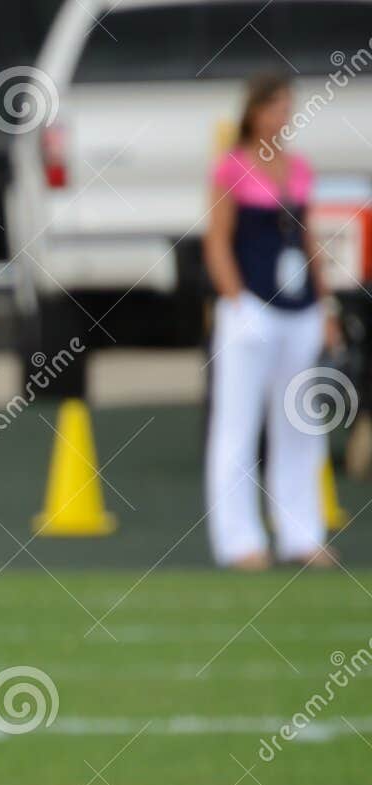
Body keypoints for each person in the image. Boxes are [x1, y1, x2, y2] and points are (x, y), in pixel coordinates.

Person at [203, 73, 343, 570]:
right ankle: (239, 540)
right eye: (273, 107)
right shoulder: (231, 167)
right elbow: (217, 240)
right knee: (237, 425)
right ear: (254, 111)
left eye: (287, 107)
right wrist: (236, 301)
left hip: (298, 306)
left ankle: (301, 534)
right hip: (252, 306)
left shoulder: (298, 168)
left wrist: (324, 305)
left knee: (301, 425)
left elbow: (308, 241)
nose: (281, 117)